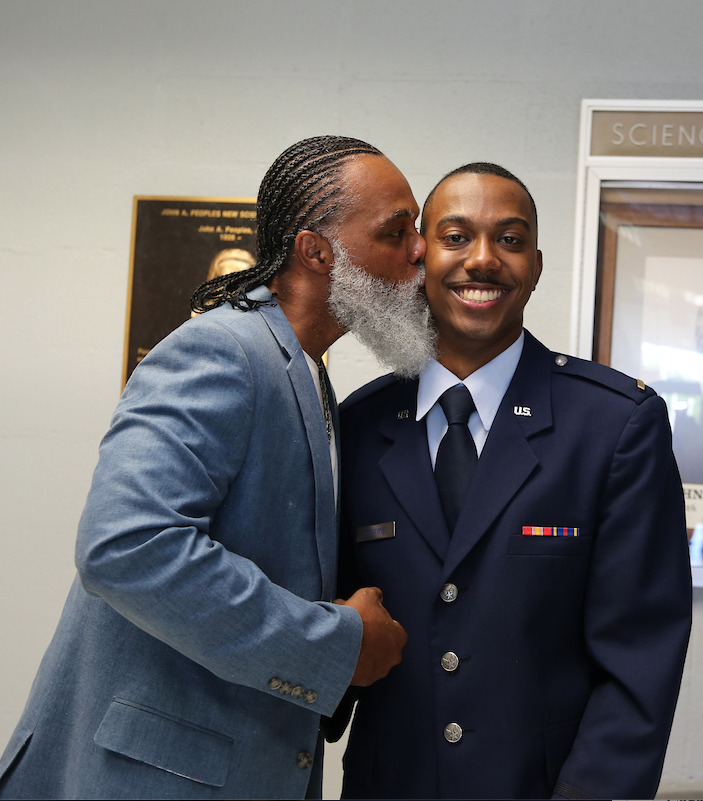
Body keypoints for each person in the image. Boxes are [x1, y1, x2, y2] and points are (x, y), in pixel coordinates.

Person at [0, 135, 423, 800]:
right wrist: (335, 645)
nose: (420, 250)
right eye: (397, 231)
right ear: (317, 251)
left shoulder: (307, 376)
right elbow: (126, 545)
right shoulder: (221, 350)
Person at [337, 163, 692, 800]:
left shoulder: (614, 425)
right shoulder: (358, 428)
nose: (483, 260)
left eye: (509, 238)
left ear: (535, 265)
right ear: (420, 260)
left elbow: (641, 654)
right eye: (455, 237)